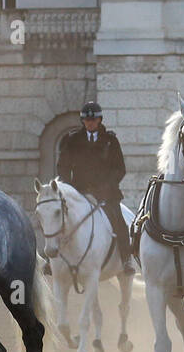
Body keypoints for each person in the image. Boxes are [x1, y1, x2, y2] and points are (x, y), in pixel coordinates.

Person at [56, 100, 134, 273]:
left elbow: (119, 168)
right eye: (87, 120)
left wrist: (107, 187)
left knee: (119, 221)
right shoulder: (72, 140)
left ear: (99, 120)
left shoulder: (110, 140)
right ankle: (52, 259)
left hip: (106, 192)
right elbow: (63, 166)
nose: (90, 123)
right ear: (83, 121)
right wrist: (68, 187)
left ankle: (126, 259)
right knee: (60, 218)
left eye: (93, 120)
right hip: (79, 191)